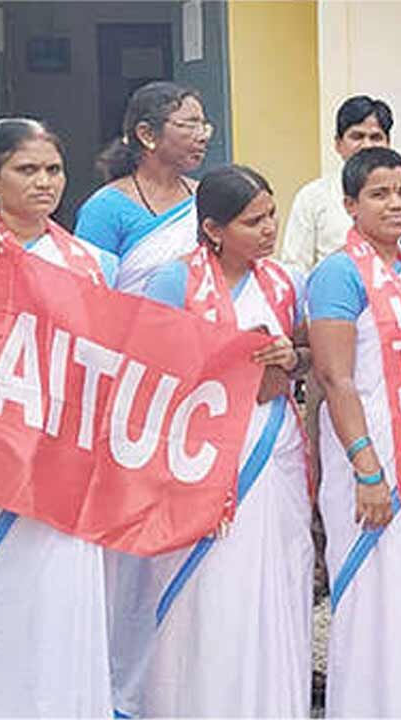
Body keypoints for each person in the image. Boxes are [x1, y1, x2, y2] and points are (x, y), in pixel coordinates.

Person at [0, 118, 118, 716]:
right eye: (26, 170)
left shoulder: (91, 263)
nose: (44, 183)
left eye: (53, 170)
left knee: (63, 611)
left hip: (66, 464)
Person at [127, 164, 311, 716]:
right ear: (212, 229)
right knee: (207, 591)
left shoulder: (283, 283)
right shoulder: (174, 281)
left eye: (271, 215)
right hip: (200, 454)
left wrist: (289, 358)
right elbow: (147, 368)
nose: (268, 229)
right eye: (252, 221)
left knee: (277, 580)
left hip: (271, 447)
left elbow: (306, 357)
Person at [307, 147, 401, 717]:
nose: (396, 204)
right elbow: (335, 377)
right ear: (350, 204)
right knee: (377, 612)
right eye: (379, 193)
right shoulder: (337, 274)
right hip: (371, 474)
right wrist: (367, 470)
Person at [75, 81, 209, 294]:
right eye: (190, 125)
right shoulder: (105, 208)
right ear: (146, 134)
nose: (202, 136)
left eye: (204, 126)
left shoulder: (206, 198)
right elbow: (87, 291)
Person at [281, 95, 393, 273]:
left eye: (375, 137)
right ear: (338, 144)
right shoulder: (312, 197)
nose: (366, 145)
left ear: (388, 143)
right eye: (357, 136)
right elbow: (295, 270)